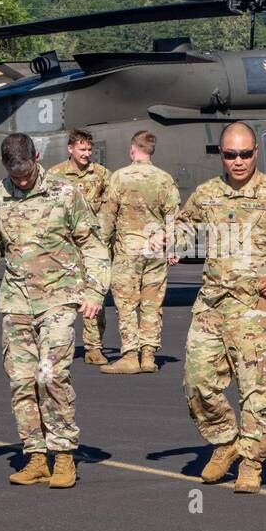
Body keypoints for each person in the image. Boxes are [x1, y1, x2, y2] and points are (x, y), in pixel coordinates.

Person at [151, 122, 266, 494]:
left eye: (245, 154)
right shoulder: (207, 194)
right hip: (212, 306)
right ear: (221, 155)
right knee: (196, 381)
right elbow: (184, 226)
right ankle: (226, 440)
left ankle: (251, 462)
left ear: (256, 153)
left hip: (256, 309)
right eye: (230, 154)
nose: (238, 161)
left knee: (259, 391)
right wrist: (169, 238)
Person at [0, 133, 110, 489]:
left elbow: (93, 244)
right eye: (16, 176)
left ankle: (64, 457)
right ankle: (37, 456)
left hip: (59, 299)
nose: (23, 181)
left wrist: (94, 290)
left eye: (27, 173)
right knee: (22, 381)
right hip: (16, 303)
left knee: (51, 376)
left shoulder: (64, 193)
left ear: (37, 157)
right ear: (5, 166)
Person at [98, 131, 180, 374]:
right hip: (155, 251)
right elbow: (174, 216)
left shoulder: (120, 177)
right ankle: (149, 355)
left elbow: (107, 217)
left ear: (133, 148)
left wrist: (100, 247)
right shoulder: (164, 179)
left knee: (126, 304)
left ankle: (130, 355)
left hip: (128, 251)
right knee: (152, 304)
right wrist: (172, 247)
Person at [46, 129, 113, 365]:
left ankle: (94, 348)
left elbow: (111, 205)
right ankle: (55, 345)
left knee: (94, 296)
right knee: (58, 296)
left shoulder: (102, 174)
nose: (86, 154)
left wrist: (101, 231)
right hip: (64, 247)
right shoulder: (55, 175)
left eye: (89, 149)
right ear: (70, 149)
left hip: (91, 245)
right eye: (82, 149)